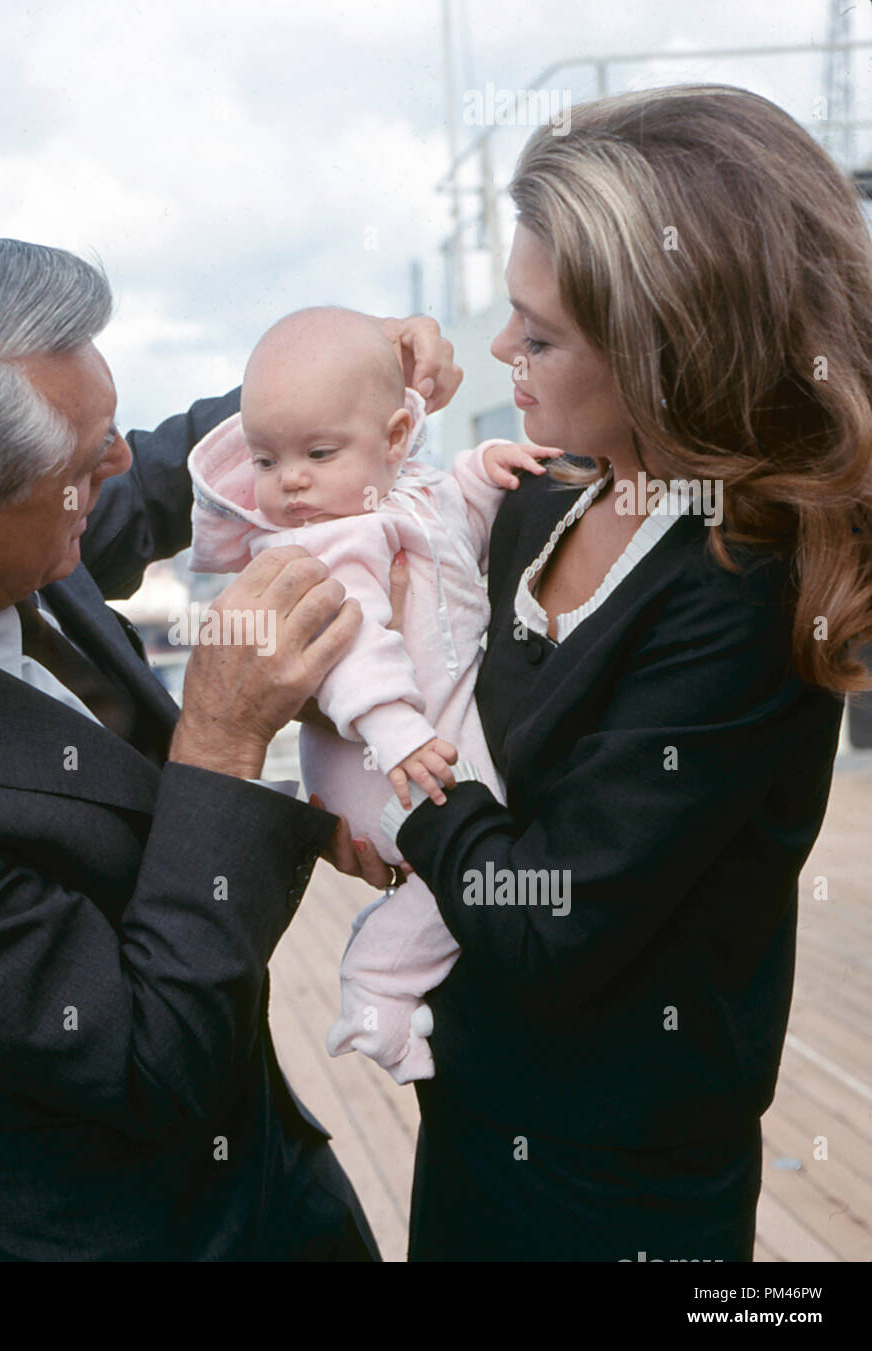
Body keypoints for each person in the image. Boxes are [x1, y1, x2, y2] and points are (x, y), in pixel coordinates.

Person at [0, 227, 458, 1261]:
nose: (121, 462)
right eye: (87, 458)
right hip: (129, 1227)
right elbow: (152, 1062)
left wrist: (353, 370)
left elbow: (146, 481)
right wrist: (221, 738)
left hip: (263, 1162)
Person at [381, 85, 872, 1261]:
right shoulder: (539, 493)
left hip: (620, 1183)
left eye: (539, 333)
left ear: (669, 350)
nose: (503, 349)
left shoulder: (741, 584)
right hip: (471, 1114)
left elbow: (549, 918)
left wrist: (404, 795)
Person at [187, 306, 559, 1082]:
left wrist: (484, 469)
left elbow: (451, 525)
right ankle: (379, 984)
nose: (289, 480)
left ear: (394, 439)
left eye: (318, 453)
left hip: (408, 740)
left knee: (460, 862)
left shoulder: (401, 494)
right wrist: (397, 734)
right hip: (385, 759)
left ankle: (387, 956)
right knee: (479, 850)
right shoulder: (323, 540)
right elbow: (352, 644)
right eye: (264, 460)